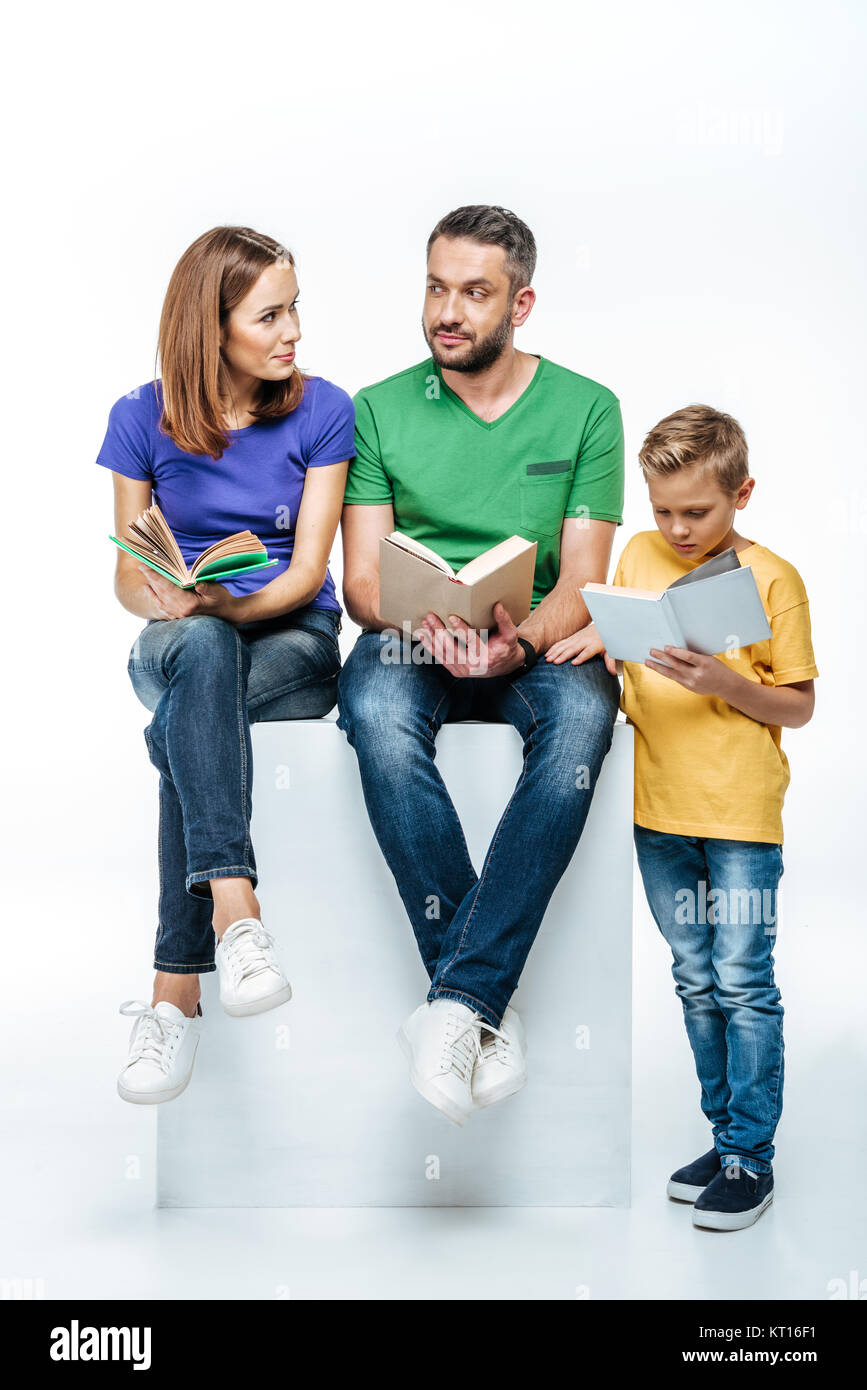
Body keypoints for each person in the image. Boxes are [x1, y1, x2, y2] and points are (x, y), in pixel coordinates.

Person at [337, 204, 624, 1126]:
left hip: (531, 633)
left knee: (585, 722)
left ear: (521, 302)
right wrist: (427, 626)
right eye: (434, 286)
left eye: (473, 292)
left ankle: (454, 1005)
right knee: (374, 715)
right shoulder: (378, 408)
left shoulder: (588, 408)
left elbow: (584, 578)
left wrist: (522, 643)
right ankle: (477, 1001)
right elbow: (364, 584)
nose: (446, 312)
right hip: (416, 632)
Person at [97, 226, 354, 1105]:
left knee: (187, 721)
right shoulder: (141, 415)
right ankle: (238, 917)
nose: (291, 332)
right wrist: (167, 597)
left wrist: (227, 605)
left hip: (292, 641)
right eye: (270, 315)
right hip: (184, 634)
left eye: (294, 310)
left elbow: (309, 574)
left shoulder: (324, 409)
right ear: (211, 329)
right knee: (198, 656)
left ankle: (174, 996)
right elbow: (128, 572)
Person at [547, 404, 818, 1229]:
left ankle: (749, 1155)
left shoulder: (772, 578)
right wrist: (589, 637)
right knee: (695, 982)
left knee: (742, 982)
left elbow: (799, 706)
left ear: (741, 493)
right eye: (662, 509)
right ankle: (724, 1136)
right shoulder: (638, 553)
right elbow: (621, 630)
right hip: (657, 810)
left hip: (739, 815)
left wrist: (725, 684)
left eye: (695, 512)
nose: (676, 527)